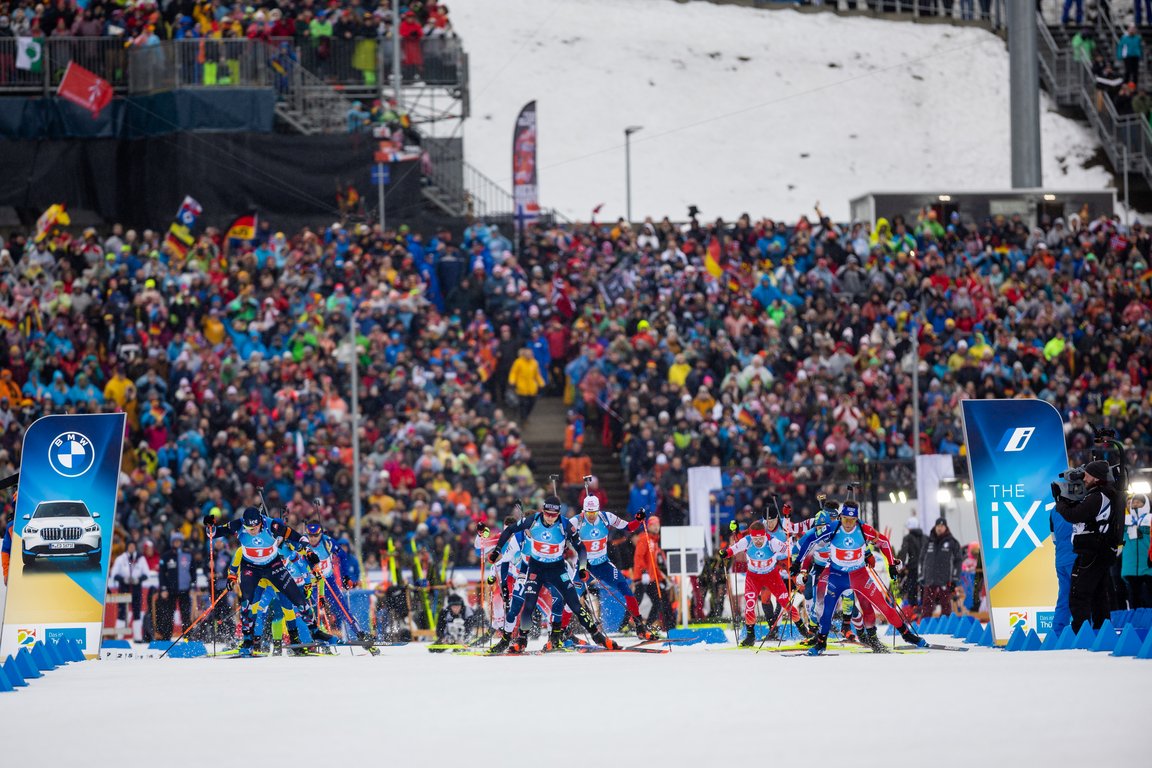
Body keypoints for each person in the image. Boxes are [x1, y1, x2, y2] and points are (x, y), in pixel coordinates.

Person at [488, 496, 617, 653]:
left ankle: (595, 636)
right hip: (536, 569)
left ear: (558, 513)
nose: (550, 518)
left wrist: (582, 568)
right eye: (547, 514)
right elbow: (509, 530)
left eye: (553, 515)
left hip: (557, 569)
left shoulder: (564, 525)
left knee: (574, 604)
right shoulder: (533, 520)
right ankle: (521, 640)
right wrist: (497, 550)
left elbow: (581, 548)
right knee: (528, 605)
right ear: (543, 511)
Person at [794, 501, 924, 655]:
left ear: (856, 519)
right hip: (837, 576)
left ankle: (907, 635)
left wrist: (890, 564)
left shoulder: (864, 529)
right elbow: (809, 539)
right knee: (827, 610)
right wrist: (797, 563)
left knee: (883, 605)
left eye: (852, 520)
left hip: (859, 575)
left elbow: (884, 542)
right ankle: (821, 643)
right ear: (840, 517)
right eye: (845, 520)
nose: (848, 524)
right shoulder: (832, 528)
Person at [204, 506, 333, 656]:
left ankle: (315, 631)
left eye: (254, 527)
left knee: (297, 598)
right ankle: (248, 641)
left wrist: (308, 550)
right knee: (246, 602)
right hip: (251, 567)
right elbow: (214, 533)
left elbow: (298, 537)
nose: (251, 531)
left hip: (273, 565)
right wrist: (210, 527)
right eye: (248, 528)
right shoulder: (238, 525)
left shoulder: (272, 526)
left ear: (260, 522)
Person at [1053, 460, 1125, 632]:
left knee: (1079, 594)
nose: (1084, 478)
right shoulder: (1103, 494)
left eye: (1087, 474)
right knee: (1098, 594)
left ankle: (1081, 633)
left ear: (1096, 477)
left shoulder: (1097, 496)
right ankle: (1101, 631)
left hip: (1093, 550)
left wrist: (1060, 501)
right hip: (1099, 550)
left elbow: (1075, 515)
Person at [574, 495, 659, 640]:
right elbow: (560, 532)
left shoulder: (606, 517)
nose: (592, 516)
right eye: (589, 513)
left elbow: (629, 527)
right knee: (572, 599)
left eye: (594, 512)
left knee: (626, 590)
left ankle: (640, 628)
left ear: (598, 510)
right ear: (584, 511)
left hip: (603, 564)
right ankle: (560, 634)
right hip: (584, 566)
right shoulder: (577, 521)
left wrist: (638, 520)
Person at [718, 510, 803, 646]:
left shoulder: (772, 542)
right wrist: (725, 553)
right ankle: (750, 636)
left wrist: (792, 543)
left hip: (771, 575)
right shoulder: (747, 541)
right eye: (755, 539)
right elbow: (733, 549)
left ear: (765, 535)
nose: (757, 541)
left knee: (786, 603)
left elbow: (788, 550)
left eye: (760, 538)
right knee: (750, 604)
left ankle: (804, 630)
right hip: (753, 577)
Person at [304, 518, 372, 644]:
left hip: (328, 581)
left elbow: (343, 555)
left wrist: (345, 576)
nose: (313, 539)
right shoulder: (302, 543)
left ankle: (360, 633)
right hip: (312, 583)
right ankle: (313, 637)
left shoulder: (327, 542)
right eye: (310, 536)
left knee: (342, 607)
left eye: (316, 535)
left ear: (321, 533)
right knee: (312, 611)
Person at [632, 514, 674, 631]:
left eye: (657, 525)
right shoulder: (644, 538)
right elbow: (638, 557)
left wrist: (661, 579)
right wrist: (644, 572)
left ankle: (648, 626)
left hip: (650, 578)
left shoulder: (654, 541)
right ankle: (624, 625)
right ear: (649, 526)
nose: (656, 527)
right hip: (642, 576)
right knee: (636, 602)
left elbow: (654, 564)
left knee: (657, 601)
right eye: (653, 525)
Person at [920, 517, 962, 617]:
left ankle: (946, 623)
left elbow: (958, 560)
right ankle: (926, 624)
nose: (940, 528)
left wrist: (955, 578)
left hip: (945, 579)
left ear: (946, 527)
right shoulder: (928, 542)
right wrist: (921, 576)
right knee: (927, 604)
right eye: (938, 526)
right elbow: (921, 559)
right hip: (930, 579)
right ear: (935, 527)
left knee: (946, 604)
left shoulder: (952, 542)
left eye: (942, 526)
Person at [157, 532, 196, 638]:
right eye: (175, 541)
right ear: (172, 542)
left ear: (182, 542)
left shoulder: (188, 555)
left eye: (179, 541)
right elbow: (161, 574)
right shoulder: (166, 556)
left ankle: (188, 638)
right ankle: (166, 638)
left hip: (185, 590)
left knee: (186, 616)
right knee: (168, 615)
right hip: (170, 591)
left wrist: (193, 586)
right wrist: (163, 589)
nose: (177, 543)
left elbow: (193, 572)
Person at [110, 540, 152, 638]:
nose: (132, 548)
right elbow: (114, 574)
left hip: (136, 588)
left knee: (137, 612)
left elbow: (147, 574)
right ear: (127, 547)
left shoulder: (141, 558)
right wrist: (123, 579)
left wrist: (138, 579)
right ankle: (118, 637)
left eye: (133, 546)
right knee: (121, 612)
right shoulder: (121, 558)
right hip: (124, 588)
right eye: (130, 546)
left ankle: (138, 637)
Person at [1122, 492, 1152, 608]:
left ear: (1145, 504)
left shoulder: (1150, 519)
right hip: (1130, 566)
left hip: (1147, 564)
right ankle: (1135, 622)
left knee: (1148, 595)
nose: (1135, 504)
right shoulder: (1126, 520)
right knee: (1133, 596)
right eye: (1133, 502)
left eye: (1138, 502)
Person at [507, 347, 545, 423]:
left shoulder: (535, 363)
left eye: (530, 354)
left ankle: (526, 416)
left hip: (532, 388)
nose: (529, 355)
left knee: (531, 403)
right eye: (527, 354)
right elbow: (513, 372)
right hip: (521, 387)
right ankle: (523, 418)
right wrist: (512, 381)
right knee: (523, 404)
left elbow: (537, 375)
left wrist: (541, 383)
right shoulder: (518, 362)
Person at [897, 515, 925, 609]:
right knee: (925, 590)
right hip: (926, 568)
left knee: (912, 590)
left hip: (913, 568)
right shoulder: (926, 538)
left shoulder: (908, 538)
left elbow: (903, 552)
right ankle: (925, 611)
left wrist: (900, 565)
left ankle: (913, 609)